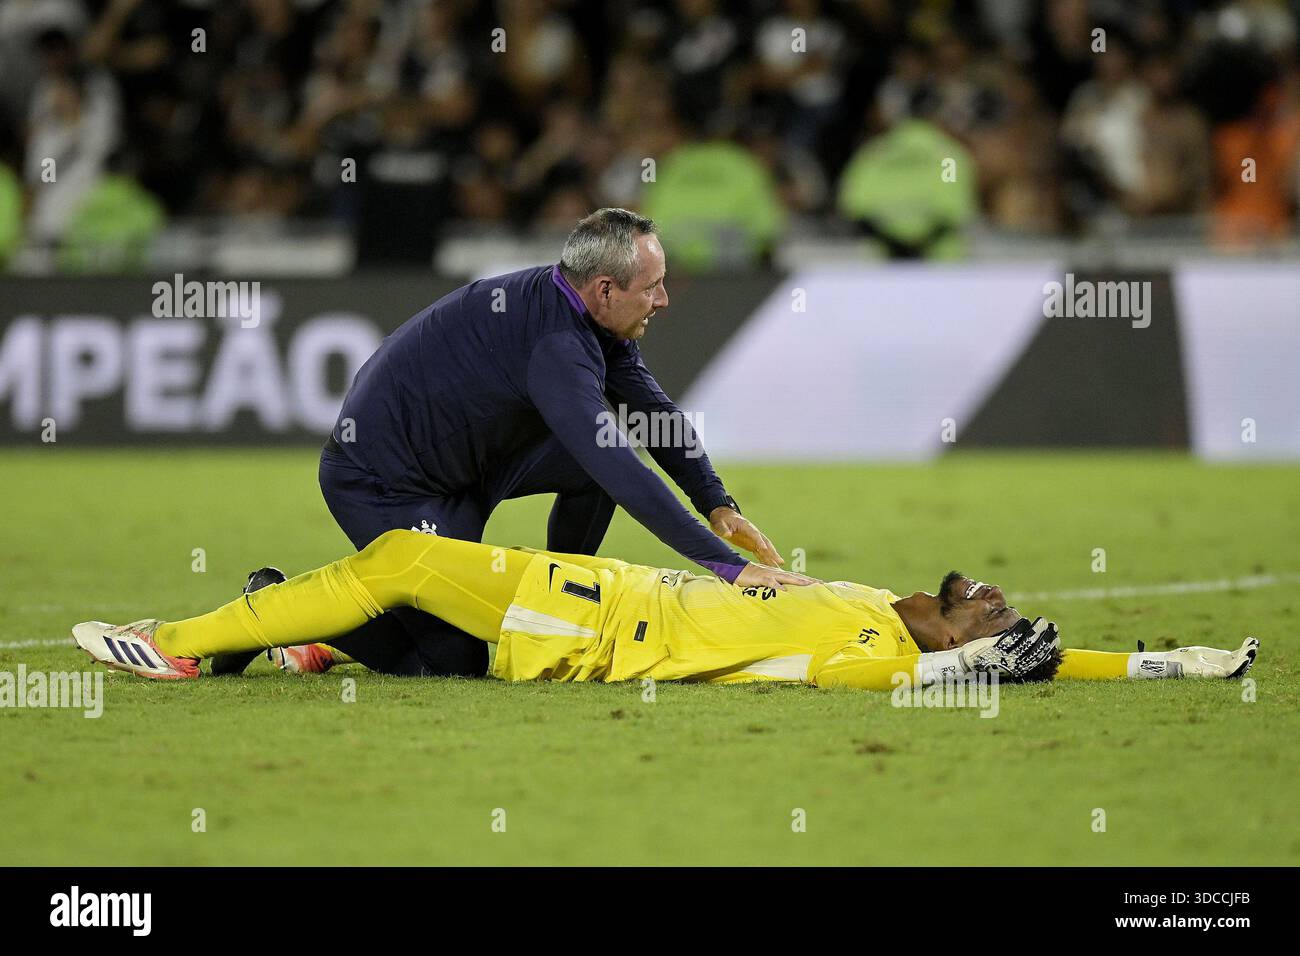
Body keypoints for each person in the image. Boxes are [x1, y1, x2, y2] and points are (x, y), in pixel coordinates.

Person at [214, 207, 802, 680]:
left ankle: (567, 601)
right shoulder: (556, 347)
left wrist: (718, 504)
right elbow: (620, 465)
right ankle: (280, 606)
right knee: (452, 662)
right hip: (386, 484)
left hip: (470, 469)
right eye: (654, 286)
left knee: (587, 470)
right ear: (604, 290)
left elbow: (657, 418)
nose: (665, 299)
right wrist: (726, 567)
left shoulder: (588, 317)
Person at [74, 530, 1259, 690]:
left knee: (396, 555)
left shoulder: (873, 644)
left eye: (997, 617)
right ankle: (289, 624)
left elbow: (856, 683)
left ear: (961, 642)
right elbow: (1062, 658)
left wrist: (971, 671)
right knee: (394, 615)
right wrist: (1181, 662)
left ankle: (173, 647)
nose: (1001, 600)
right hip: (596, 594)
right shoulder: (872, 596)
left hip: (581, 622)